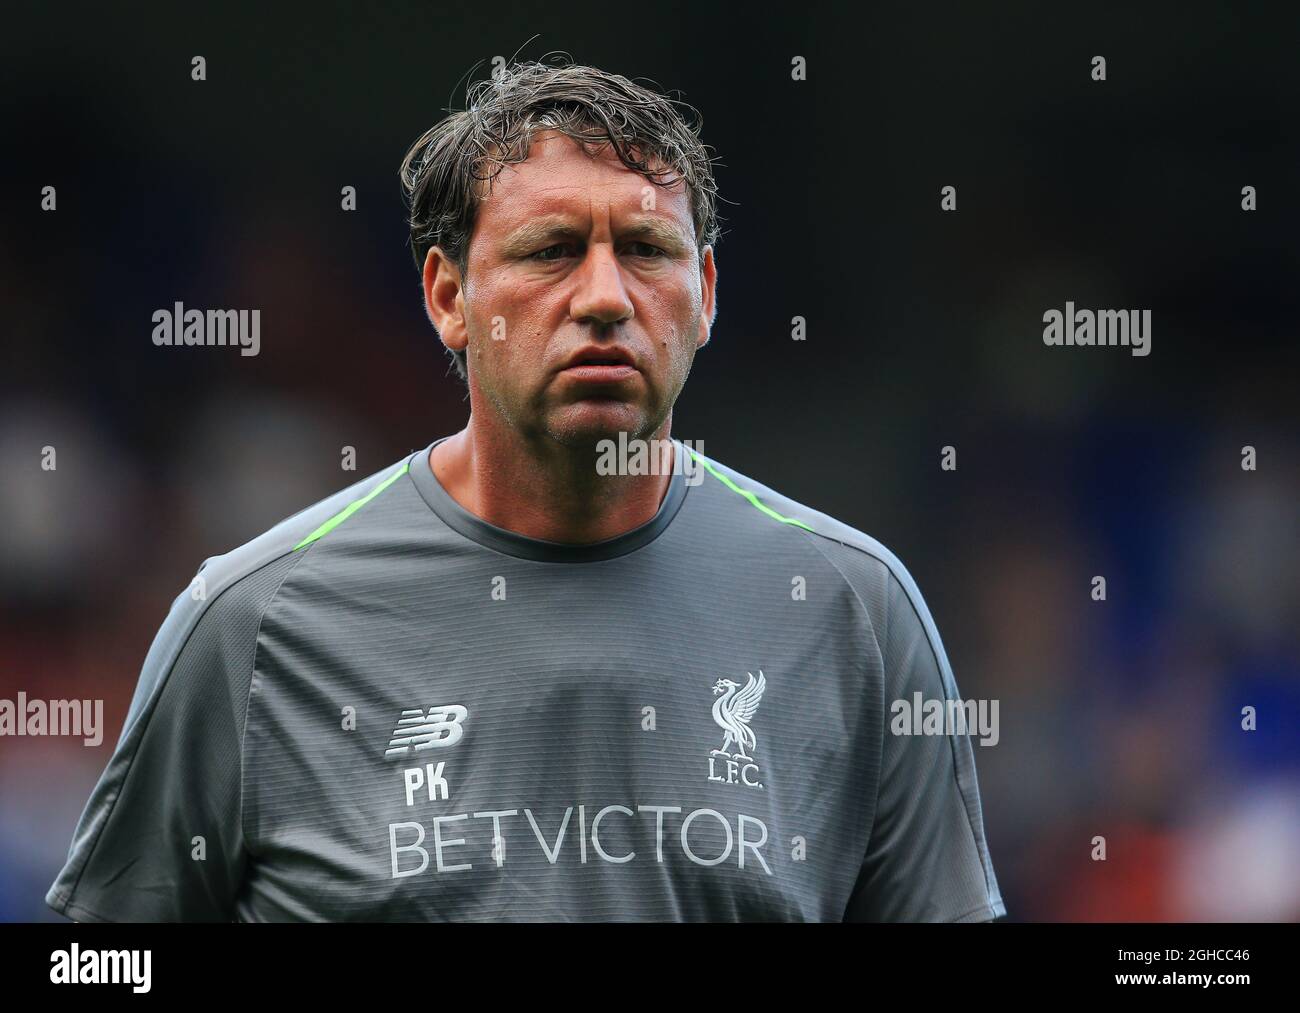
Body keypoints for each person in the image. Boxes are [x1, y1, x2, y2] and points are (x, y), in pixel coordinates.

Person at [47, 60, 1005, 922]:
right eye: (551, 250)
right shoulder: (250, 622)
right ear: (448, 296)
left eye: (646, 249)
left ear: (706, 292)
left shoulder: (854, 609)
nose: (603, 297)